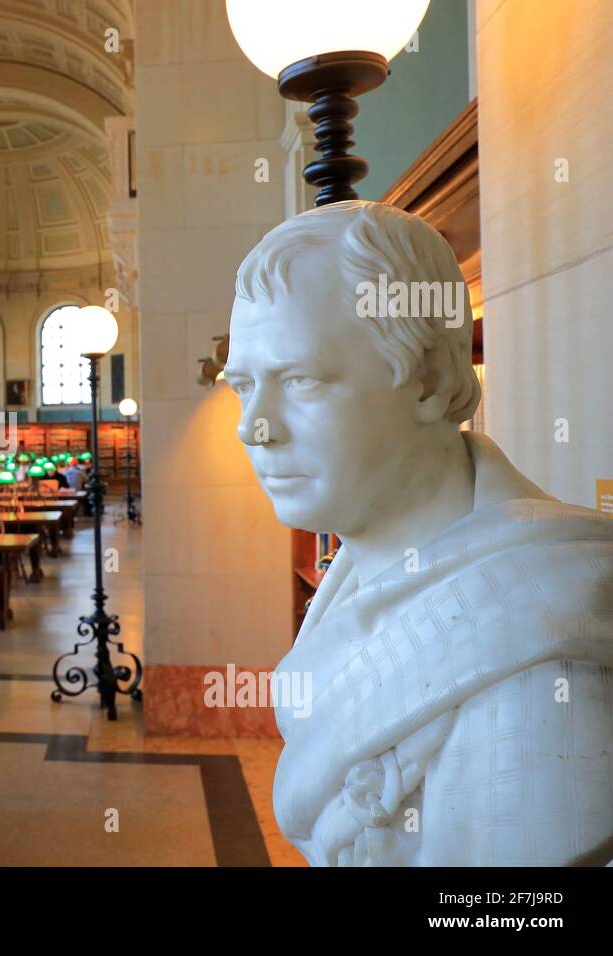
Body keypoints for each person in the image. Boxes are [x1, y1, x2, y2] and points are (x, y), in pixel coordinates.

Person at [226, 199, 613, 866]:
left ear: (429, 379)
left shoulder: (537, 679)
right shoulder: (365, 568)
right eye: (242, 386)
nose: (253, 426)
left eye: (300, 379)